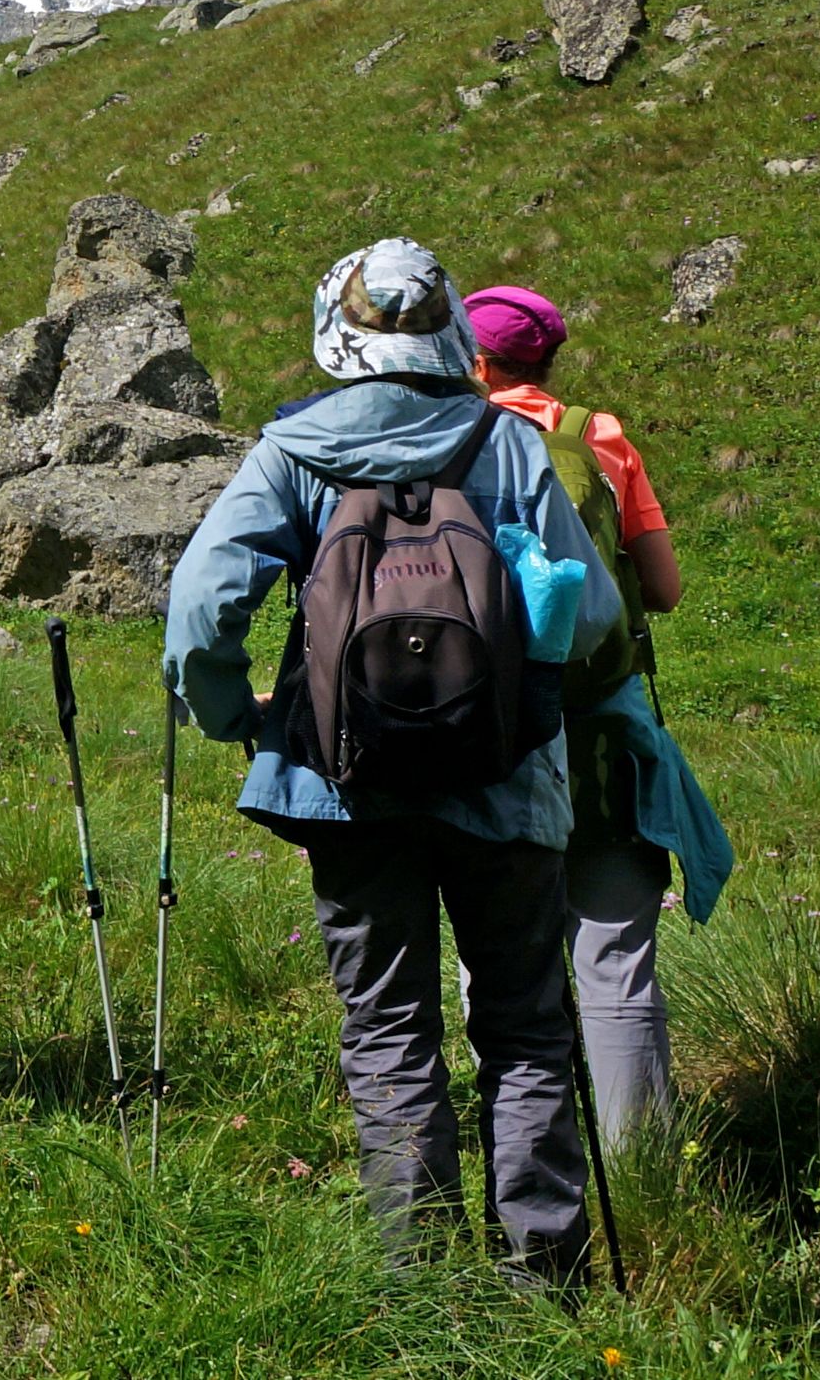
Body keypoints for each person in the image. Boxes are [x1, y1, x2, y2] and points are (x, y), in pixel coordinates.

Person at [166, 239, 621, 1286]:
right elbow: (593, 611)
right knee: (524, 1026)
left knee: (389, 1026)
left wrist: (241, 715)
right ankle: (544, 1279)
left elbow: (198, 610)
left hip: (343, 778)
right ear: (446, 329)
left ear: (341, 330)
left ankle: (419, 1281)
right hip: (505, 780)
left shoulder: (293, 451)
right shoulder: (507, 446)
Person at [465, 284, 728, 1148]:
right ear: (547, 359)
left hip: (490, 736)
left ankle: (519, 1147)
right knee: (614, 956)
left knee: (498, 958)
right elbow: (663, 589)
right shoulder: (600, 437)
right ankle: (641, 1156)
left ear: (477, 361)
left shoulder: (449, 440)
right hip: (602, 733)